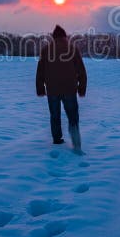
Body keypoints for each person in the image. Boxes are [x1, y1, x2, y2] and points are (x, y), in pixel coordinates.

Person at [36, 25, 87, 153]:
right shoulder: (72, 48)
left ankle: (57, 139)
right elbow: (81, 70)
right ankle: (76, 142)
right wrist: (82, 88)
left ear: (53, 37)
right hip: (69, 89)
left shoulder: (46, 50)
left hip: (52, 89)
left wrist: (40, 88)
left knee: (55, 115)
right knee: (72, 116)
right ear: (65, 36)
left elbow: (40, 71)